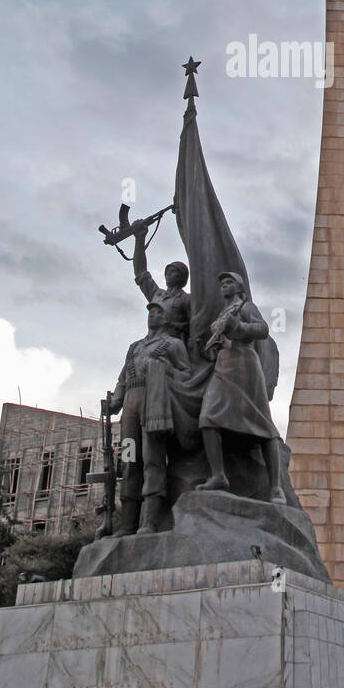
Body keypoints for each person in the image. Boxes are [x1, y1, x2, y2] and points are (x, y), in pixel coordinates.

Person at [197, 271, 285, 504]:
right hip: (223, 364)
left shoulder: (245, 307)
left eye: (228, 283)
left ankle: (276, 488)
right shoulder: (222, 312)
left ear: (238, 287)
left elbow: (262, 330)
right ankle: (218, 475)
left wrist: (238, 326)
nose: (224, 286)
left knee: (264, 425)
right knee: (207, 418)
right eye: (222, 283)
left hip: (245, 365)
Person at [108, 300, 191, 534]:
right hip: (129, 409)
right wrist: (115, 400)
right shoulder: (134, 347)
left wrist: (166, 369)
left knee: (152, 459)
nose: (152, 315)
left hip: (154, 405)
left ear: (166, 319)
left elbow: (186, 375)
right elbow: (122, 378)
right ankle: (127, 524)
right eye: (151, 312)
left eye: (157, 312)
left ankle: (150, 521)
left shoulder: (173, 345)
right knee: (129, 460)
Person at [131, 219, 191, 354]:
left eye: (174, 272)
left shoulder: (187, 299)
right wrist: (139, 239)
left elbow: (194, 327)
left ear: (182, 277)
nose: (169, 274)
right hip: (152, 340)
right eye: (168, 272)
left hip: (172, 346)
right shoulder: (156, 294)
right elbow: (141, 272)